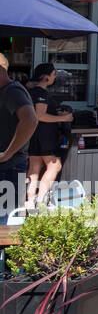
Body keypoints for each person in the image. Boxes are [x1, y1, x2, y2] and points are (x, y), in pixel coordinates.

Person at [24, 63, 72, 208]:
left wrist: (57, 113)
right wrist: (63, 118)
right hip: (44, 135)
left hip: (32, 134)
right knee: (55, 166)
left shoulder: (30, 92)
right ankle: (41, 200)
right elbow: (39, 115)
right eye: (53, 74)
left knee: (34, 168)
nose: (54, 77)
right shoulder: (41, 93)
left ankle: (29, 201)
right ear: (45, 77)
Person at [0, 53, 38, 218]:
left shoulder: (12, 91)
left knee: (5, 223)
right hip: (7, 167)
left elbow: (30, 120)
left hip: (9, 168)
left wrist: (8, 153)